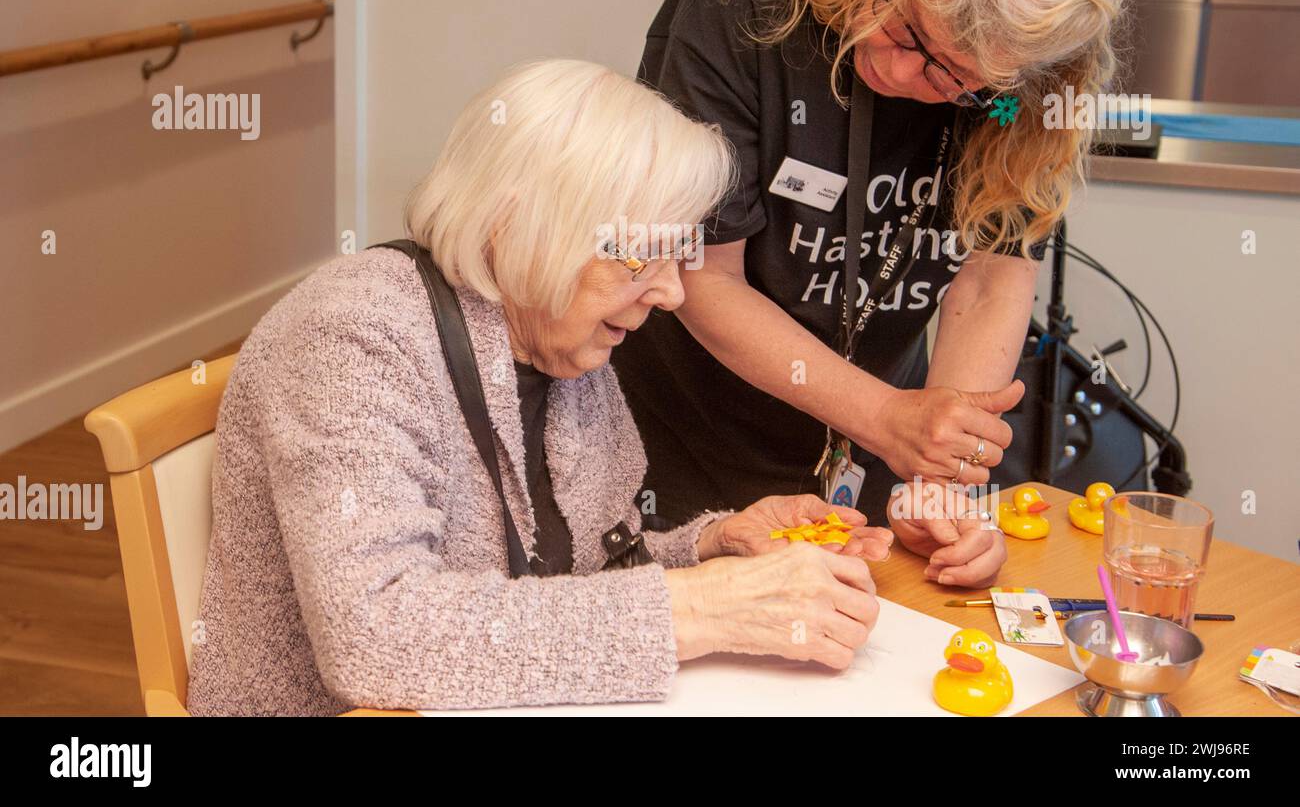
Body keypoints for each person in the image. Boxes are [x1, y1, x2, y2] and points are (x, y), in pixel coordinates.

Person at [186, 59, 893, 715]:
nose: (674, 291)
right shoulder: (350, 335)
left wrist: (709, 548)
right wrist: (702, 607)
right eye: (644, 253)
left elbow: (569, 576)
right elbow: (376, 631)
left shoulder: (558, 341)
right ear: (517, 226)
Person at [612, 0, 1144, 587]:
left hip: (871, 443)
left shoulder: (1033, 99)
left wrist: (941, 486)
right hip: (681, 431)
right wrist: (891, 421)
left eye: (955, 79)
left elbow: (991, 283)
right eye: (905, 25)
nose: (898, 71)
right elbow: (703, 276)